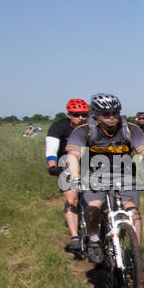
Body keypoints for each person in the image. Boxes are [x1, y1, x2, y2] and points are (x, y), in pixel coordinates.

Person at [63, 93, 144, 266]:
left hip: (125, 174)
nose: (112, 117)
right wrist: (75, 177)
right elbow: (73, 156)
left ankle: (136, 254)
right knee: (93, 207)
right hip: (93, 175)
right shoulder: (84, 129)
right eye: (106, 114)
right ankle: (93, 239)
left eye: (115, 113)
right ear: (97, 115)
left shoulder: (130, 128)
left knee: (133, 212)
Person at [47, 99, 91, 253]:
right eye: (76, 115)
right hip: (65, 164)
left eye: (85, 114)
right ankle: (74, 237)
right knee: (71, 199)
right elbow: (51, 149)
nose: (81, 118)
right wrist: (52, 165)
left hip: (89, 163)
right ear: (69, 115)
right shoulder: (59, 127)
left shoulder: (92, 126)